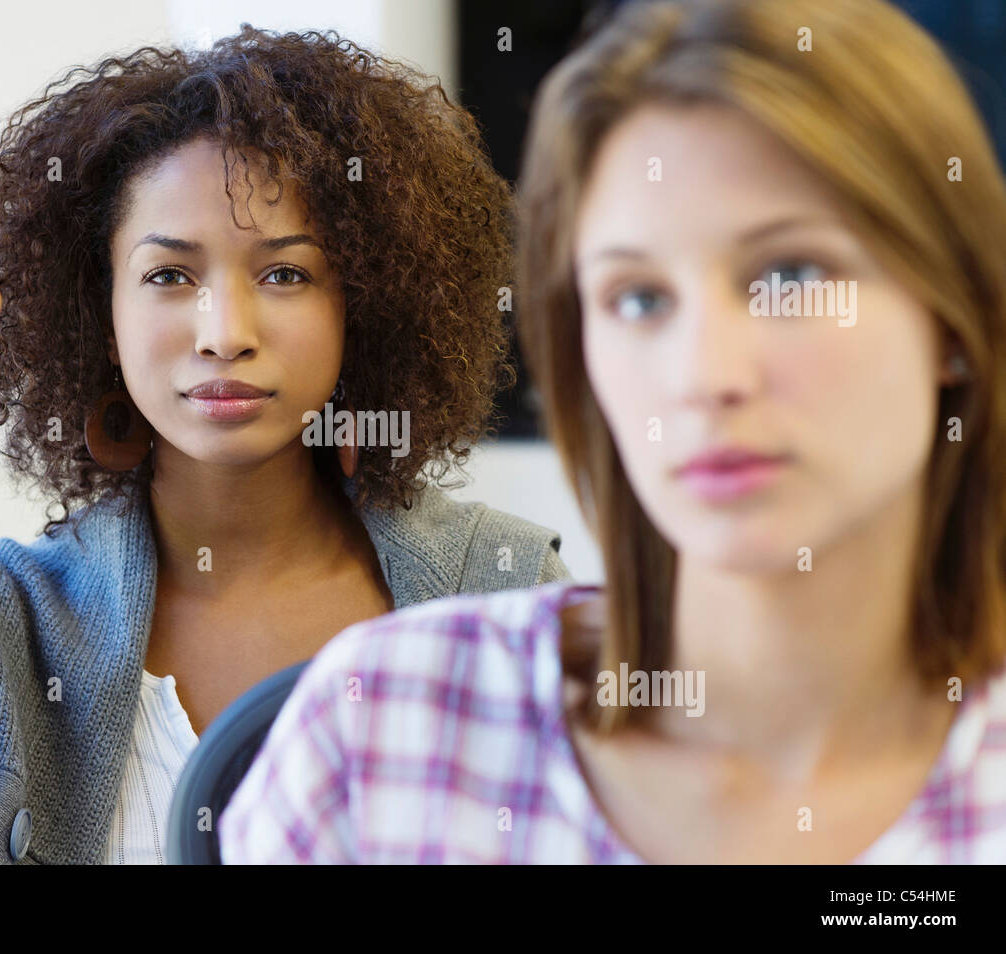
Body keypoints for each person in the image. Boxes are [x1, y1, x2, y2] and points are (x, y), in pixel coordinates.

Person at [0, 25, 569, 865]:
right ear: (100, 314)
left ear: (365, 308)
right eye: (169, 275)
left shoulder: (498, 588)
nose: (224, 332)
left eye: (284, 273)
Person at [218, 0, 1006, 863]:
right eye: (638, 298)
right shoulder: (381, 733)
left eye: (789, 274)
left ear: (954, 324)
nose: (705, 376)